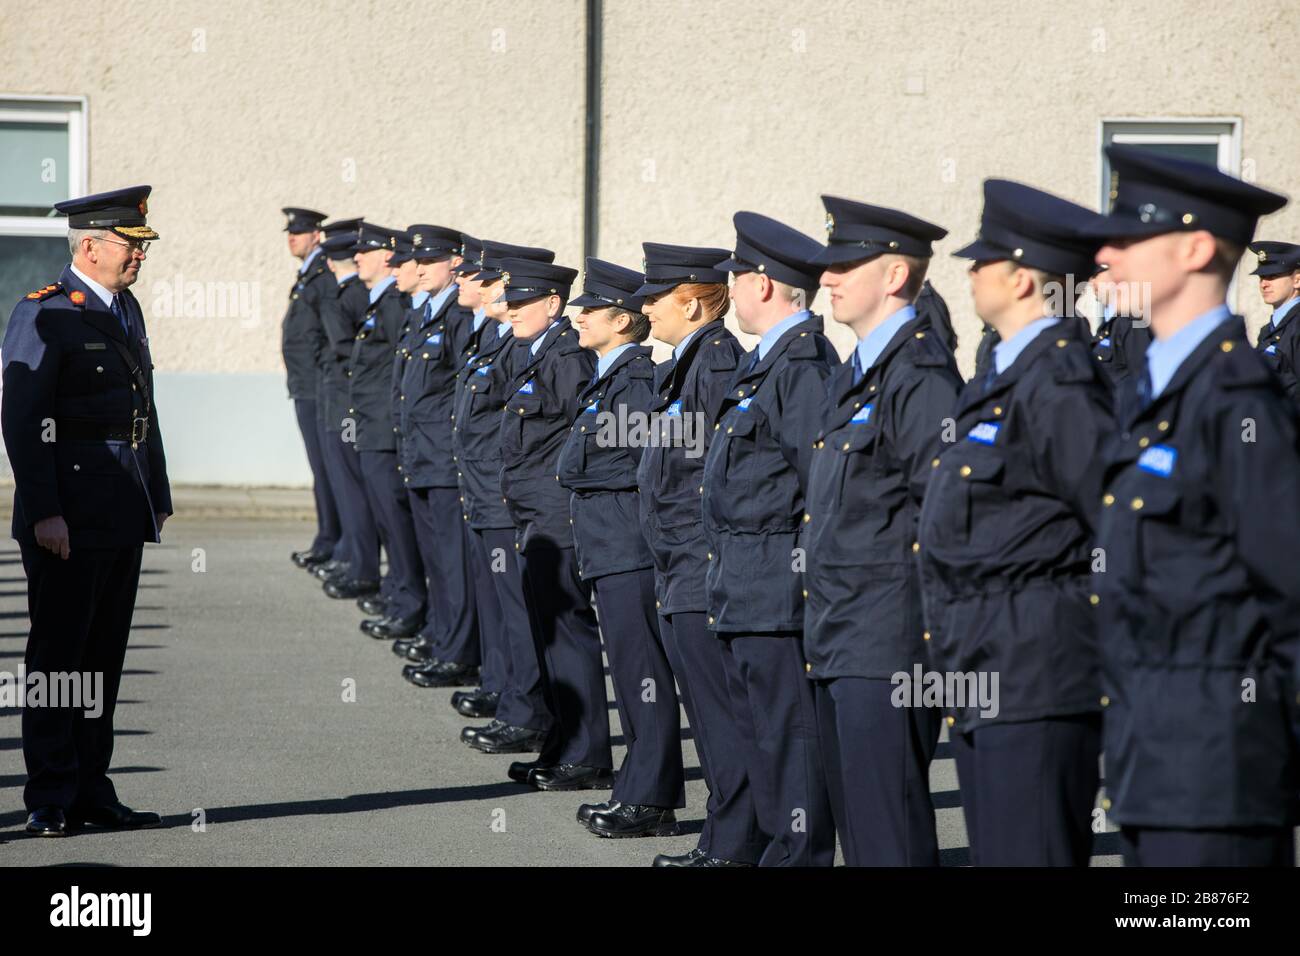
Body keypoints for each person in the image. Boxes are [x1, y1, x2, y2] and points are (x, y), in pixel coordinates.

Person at [1087, 146, 1300, 866]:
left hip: (1221, 780)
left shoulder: (1239, 405)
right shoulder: (1154, 395)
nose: (1106, 253)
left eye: (1129, 235)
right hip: (1154, 762)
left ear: (1198, 247)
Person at [916, 179, 1114, 866]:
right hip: (984, 661)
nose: (969, 272)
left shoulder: (1059, 383)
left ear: (1025, 277)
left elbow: (1115, 531)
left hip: (1038, 670)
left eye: (984, 260)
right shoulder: (1002, 375)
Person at [1, 185, 171, 836]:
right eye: (132, 246)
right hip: (67, 514)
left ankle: (91, 787)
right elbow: (22, 419)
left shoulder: (126, 309)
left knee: (102, 659)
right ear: (91, 245)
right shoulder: (44, 312)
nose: (140, 258)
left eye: (142, 247)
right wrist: (45, 512)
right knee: (57, 660)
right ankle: (48, 793)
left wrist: (157, 495)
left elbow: (142, 414)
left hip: (121, 509)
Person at [803, 196, 961, 866]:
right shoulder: (859, 369)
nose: (826, 279)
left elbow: (948, 513)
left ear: (894, 275)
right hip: (840, 630)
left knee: (888, 829)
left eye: (845, 264)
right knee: (864, 832)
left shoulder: (917, 373)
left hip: (888, 640)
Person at [703, 212, 839, 867]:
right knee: (763, 734)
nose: (729, 286)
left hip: (778, 588)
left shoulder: (801, 364)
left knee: (792, 739)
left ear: (763, 285)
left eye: (737, 275)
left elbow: (823, 486)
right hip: (744, 582)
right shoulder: (770, 361)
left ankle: (798, 857)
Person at [635, 242, 763, 868]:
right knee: (707, 712)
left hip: (697, 560)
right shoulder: (686, 365)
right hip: (676, 559)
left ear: (690, 301)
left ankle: (733, 843)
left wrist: (696, 550)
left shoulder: (713, 364)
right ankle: (726, 836)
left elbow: (714, 473)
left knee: (718, 716)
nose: (645, 311)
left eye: (654, 300)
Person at [557, 257, 685, 836]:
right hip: (607, 544)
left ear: (624, 320)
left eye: (590, 310)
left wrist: (577, 477)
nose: (577, 317)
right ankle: (637, 787)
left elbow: (642, 469)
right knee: (632, 676)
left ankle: (650, 798)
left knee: (642, 675)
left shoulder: (633, 381)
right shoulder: (610, 374)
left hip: (628, 546)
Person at [490, 256, 615, 792]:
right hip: (532, 513)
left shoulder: (566, 357)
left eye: (522, 304)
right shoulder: (532, 350)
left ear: (553, 304)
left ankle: (586, 754)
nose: (511, 311)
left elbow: (583, 434)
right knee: (548, 634)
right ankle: (563, 743)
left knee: (569, 634)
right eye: (510, 302)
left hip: (555, 513)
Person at [449, 242, 556, 738]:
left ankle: (525, 711)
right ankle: (504, 688)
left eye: (505, 286)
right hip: (484, 490)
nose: (506, 300)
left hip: (501, 494)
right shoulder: (501, 340)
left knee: (516, 608)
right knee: (500, 603)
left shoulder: (523, 347)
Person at [389, 226, 482, 674]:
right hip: (420, 456)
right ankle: (443, 637)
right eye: (418, 261)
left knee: (453, 561)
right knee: (436, 559)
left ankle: (458, 652)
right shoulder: (425, 313)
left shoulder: (458, 318)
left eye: (430, 261)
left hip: (443, 458)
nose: (420, 269)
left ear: (454, 264)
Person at [311, 222, 379, 591]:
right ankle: (353, 559)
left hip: (344, 402)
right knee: (349, 488)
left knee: (351, 490)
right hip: (346, 401)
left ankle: (360, 566)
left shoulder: (344, 296)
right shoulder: (358, 293)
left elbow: (344, 350)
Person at [281, 207, 341, 571]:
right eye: (289, 231)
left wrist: (319, 379)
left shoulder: (322, 275)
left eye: (299, 231)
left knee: (327, 470)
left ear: (316, 235)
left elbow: (330, 337)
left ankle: (334, 543)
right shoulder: (308, 275)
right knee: (321, 470)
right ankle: (328, 540)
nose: (292, 237)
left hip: (318, 388)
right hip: (305, 385)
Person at [1248, 240, 1300, 401]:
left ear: (1297, 280)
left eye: (1273, 276)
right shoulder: (1267, 330)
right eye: (1262, 277)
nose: (1264, 284)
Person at [1088, 263, 1151, 391]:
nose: (1091, 282)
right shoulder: (1114, 323)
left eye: (1096, 274)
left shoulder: (1130, 322)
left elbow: (1141, 380)